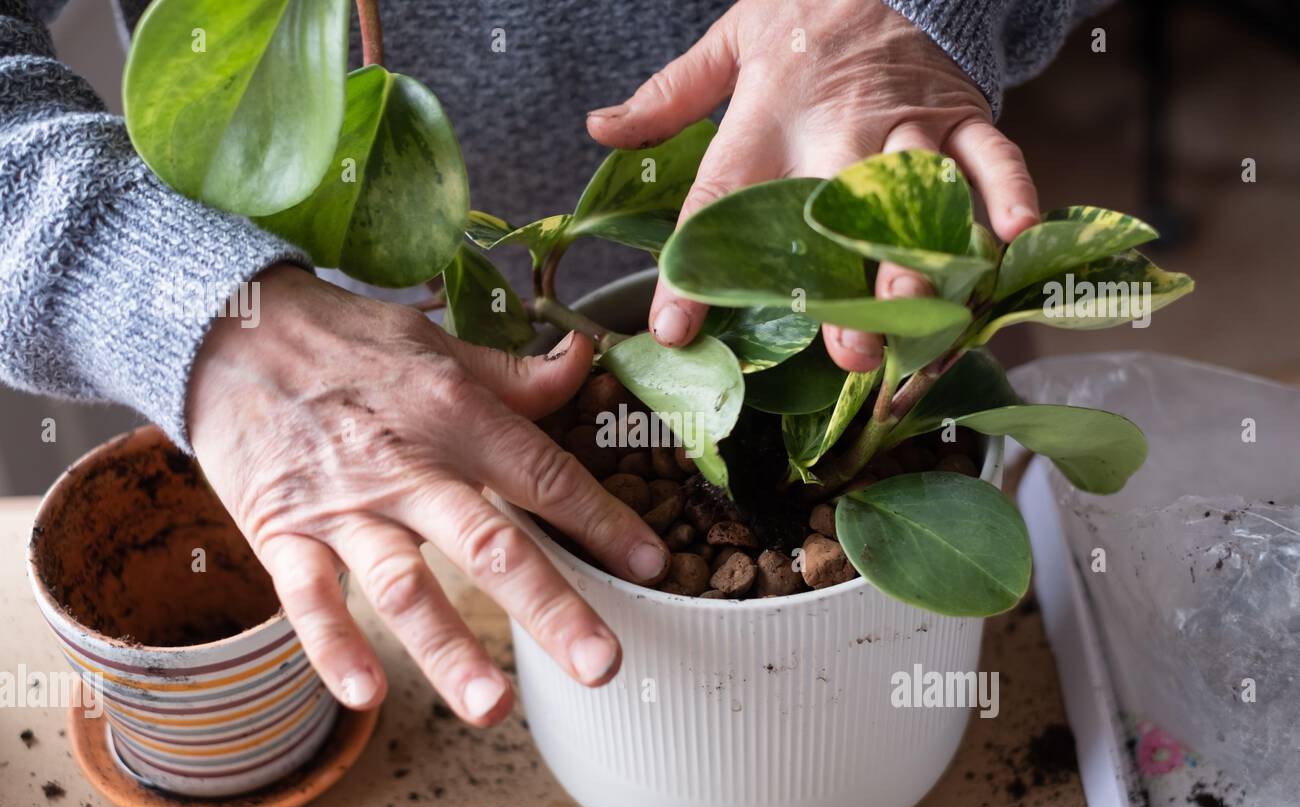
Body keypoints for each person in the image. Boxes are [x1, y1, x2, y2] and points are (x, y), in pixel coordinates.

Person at [0, 0, 1105, 725]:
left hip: (867, 231)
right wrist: (176, 296)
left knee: (932, 405)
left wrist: (918, 12)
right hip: (349, 374)